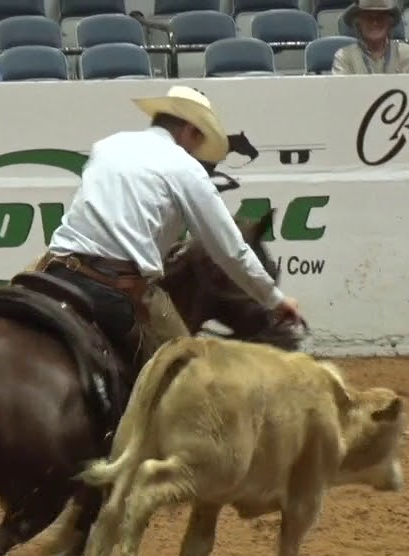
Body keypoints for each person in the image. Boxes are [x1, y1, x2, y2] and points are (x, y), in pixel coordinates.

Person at [37, 85, 304, 370]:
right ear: (190, 129)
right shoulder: (186, 169)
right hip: (115, 286)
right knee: (187, 371)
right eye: (198, 141)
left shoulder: (107, 145)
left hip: (56, 267)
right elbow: (231, 252)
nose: (197, 152)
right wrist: (275, 299)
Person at [331, 0, 409, 74]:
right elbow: (342, 93)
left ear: (389, 23)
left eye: (380, 17)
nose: (375, 22)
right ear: (358, 23)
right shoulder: (344, 57)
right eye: (368, 17)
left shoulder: (407, 54)